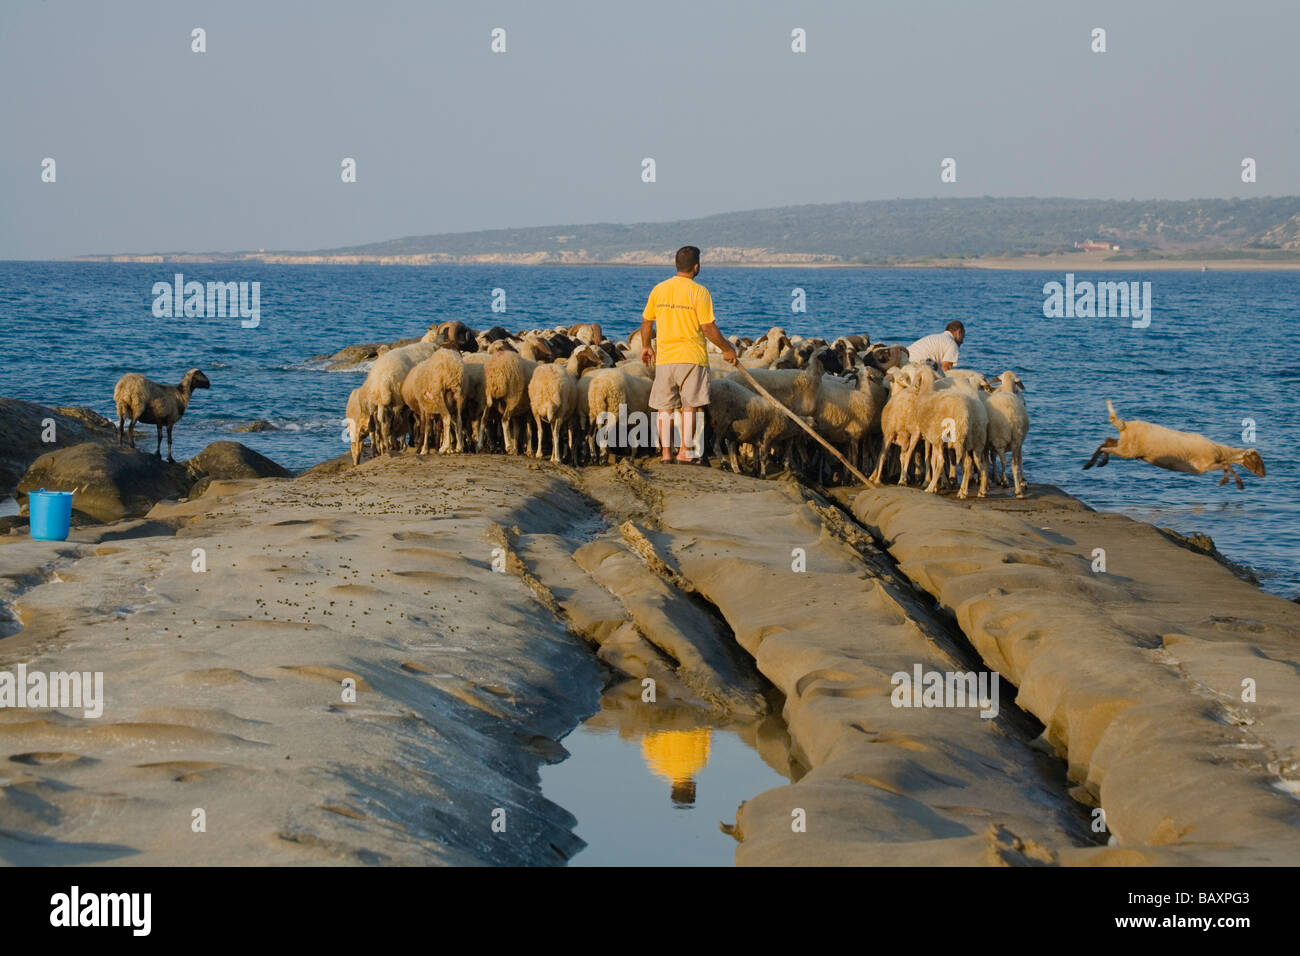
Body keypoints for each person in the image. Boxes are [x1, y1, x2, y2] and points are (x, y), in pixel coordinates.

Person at [639, 246, 737, 463]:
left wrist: (646, 346)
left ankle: (665, 454)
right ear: (696, 266)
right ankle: (684, 451)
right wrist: (727, 349)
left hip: (665, 358)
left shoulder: (659, 289)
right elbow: (708, 327)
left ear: (676, 265)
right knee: (690, 406)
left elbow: (647, 321)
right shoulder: (699, 292)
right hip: (692, 357)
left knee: (664, 408)